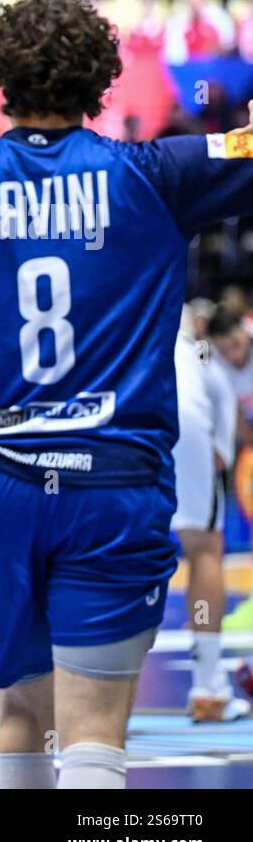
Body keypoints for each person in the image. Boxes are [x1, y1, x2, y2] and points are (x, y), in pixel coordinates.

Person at [0, 0, 253, 789]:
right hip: (112, 483)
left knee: (26, 712)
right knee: (95, 735)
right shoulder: (156, 174)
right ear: (102, 80)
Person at [171, 307, 246, 721]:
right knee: (203, 548)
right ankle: (208, 689)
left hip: (120, 415)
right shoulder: (195, 349)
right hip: (185, 419)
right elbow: (217, 385)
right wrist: (222, 445)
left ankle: (91, 689)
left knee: (116, 553)